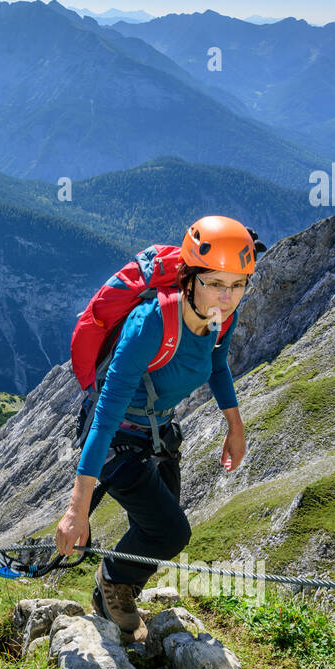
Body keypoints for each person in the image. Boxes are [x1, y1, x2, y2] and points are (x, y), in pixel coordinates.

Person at [55, 216, 256, 641]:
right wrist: (77, 508)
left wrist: (235, 426)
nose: (227, 297)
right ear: (189, 277)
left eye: (237, 285)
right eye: (215, 283)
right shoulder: (151, 322)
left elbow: (216, 363)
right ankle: (113, 582)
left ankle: (114, 590)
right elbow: (106, 414)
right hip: (116, 438)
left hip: (159, 432)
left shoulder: (221, 317)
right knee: (170, 531)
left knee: (160, 532)